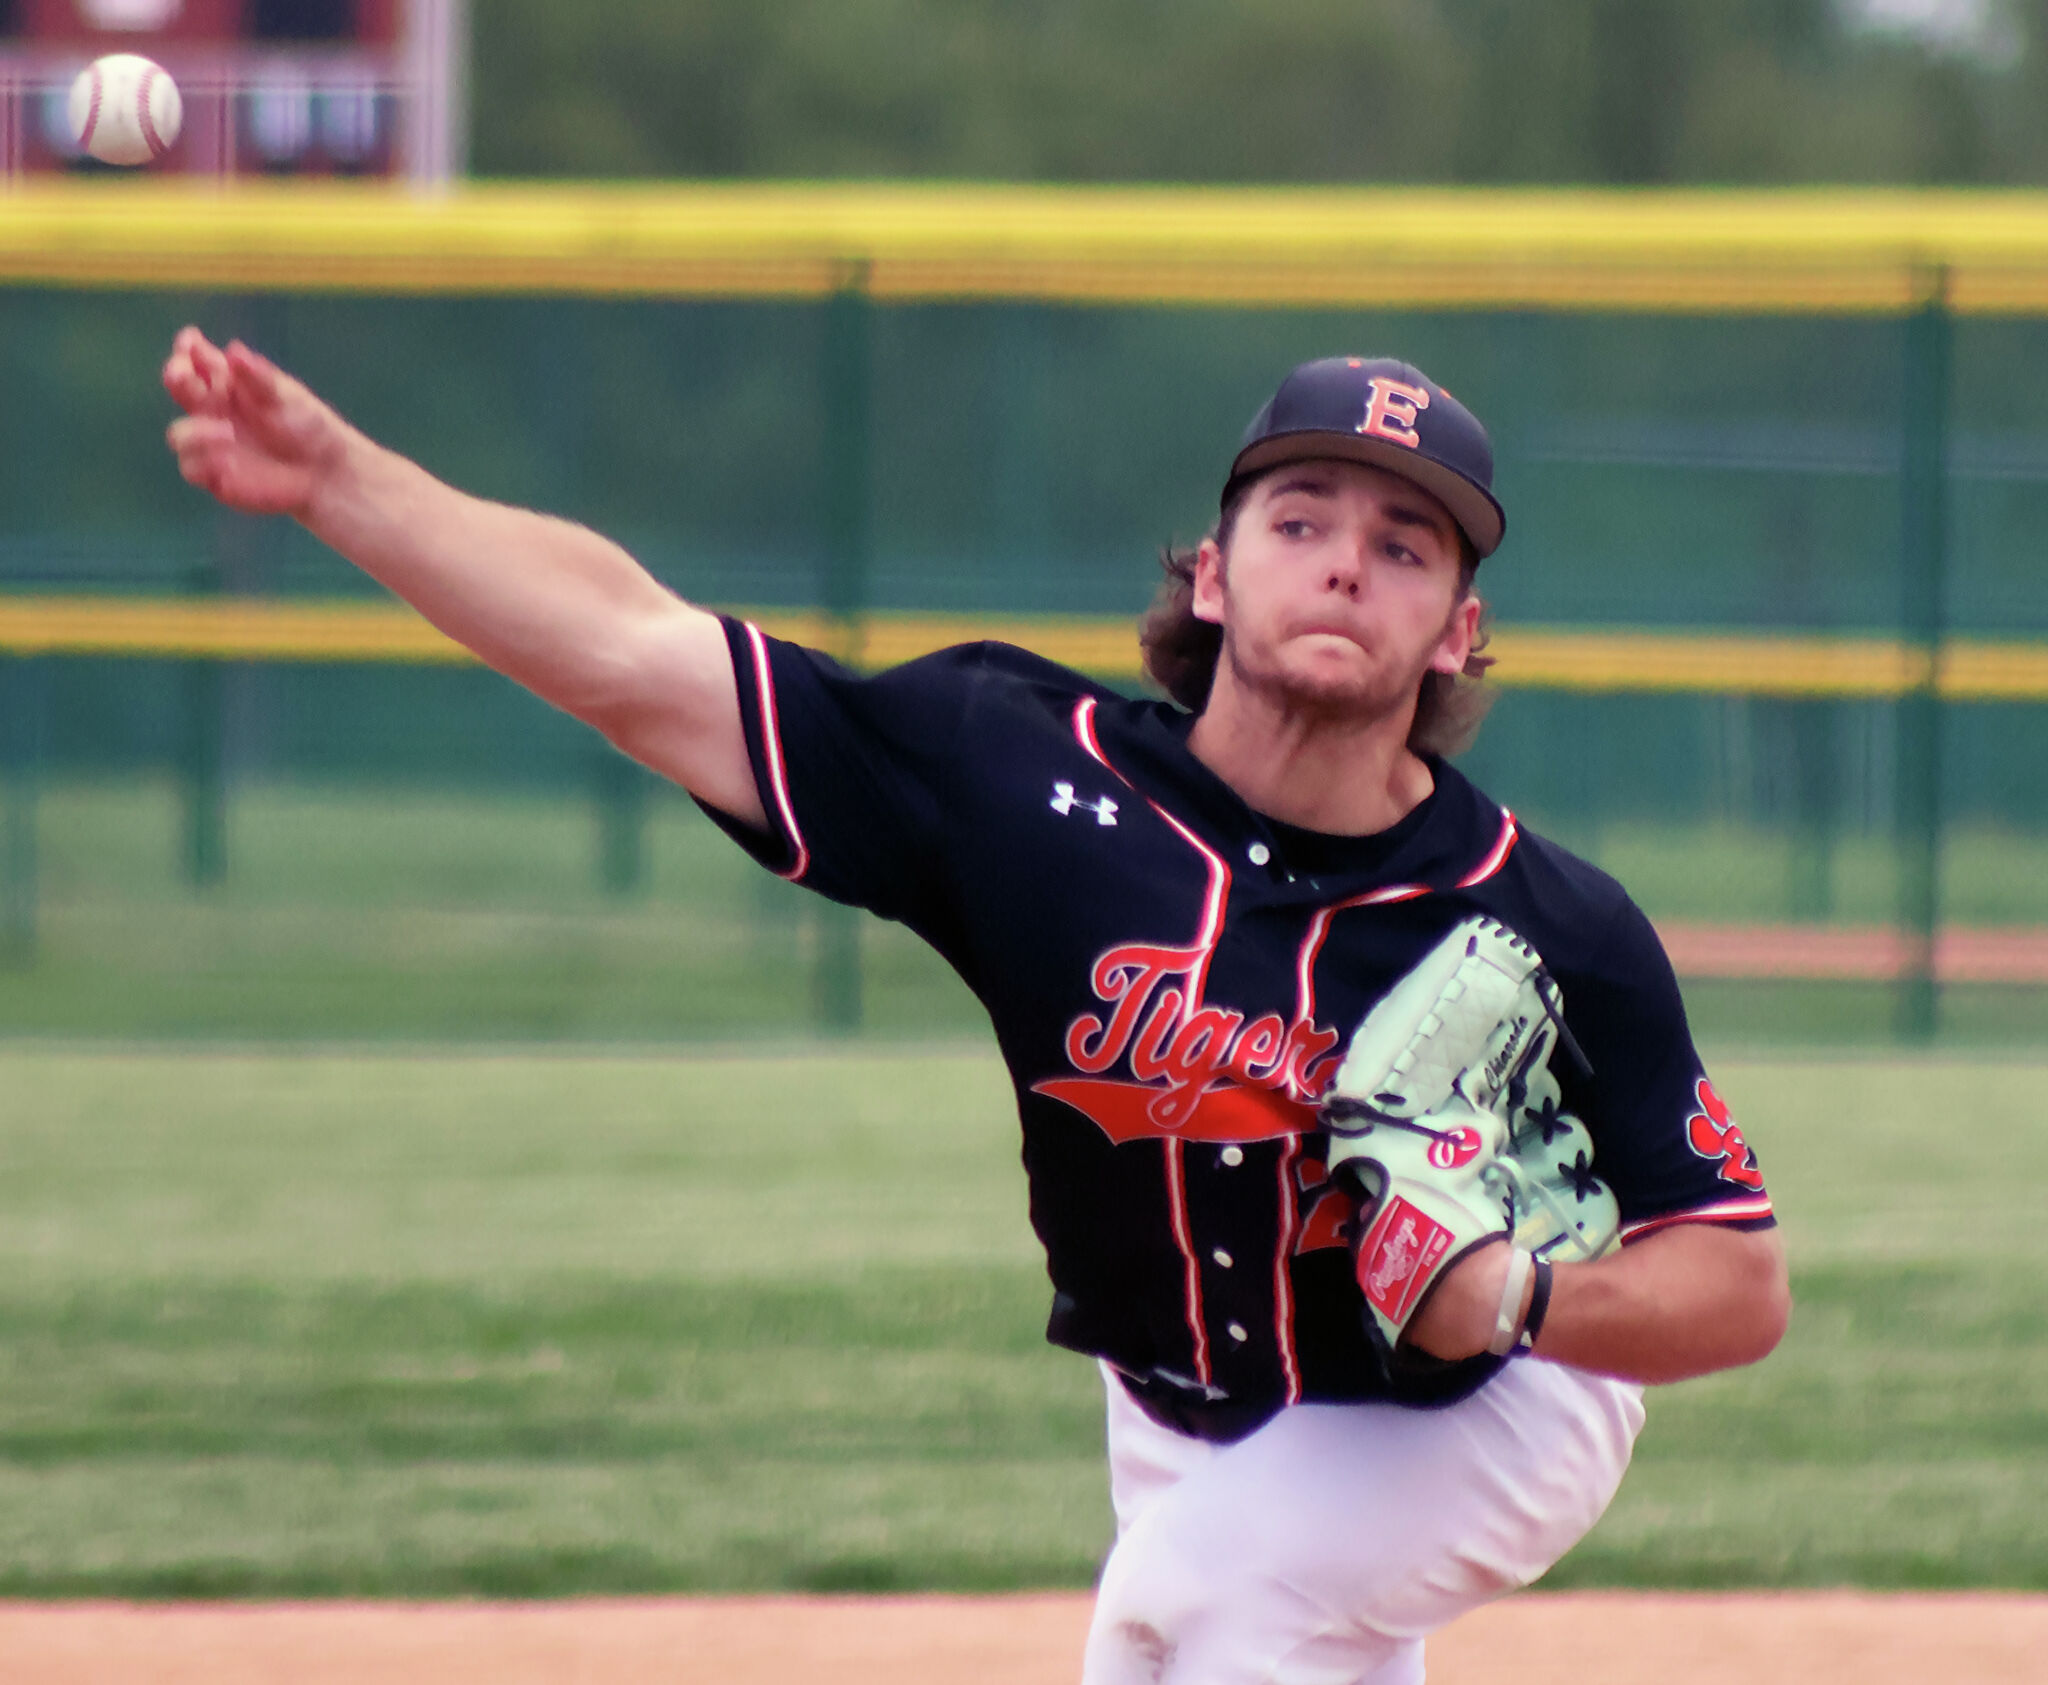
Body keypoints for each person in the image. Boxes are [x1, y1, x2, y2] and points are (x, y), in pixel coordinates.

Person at [163, 332, 1789, 1685]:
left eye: (1408, 544)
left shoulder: (1546, 918)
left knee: (1196, 1608)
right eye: (1304, 517)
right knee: (1228, 1610)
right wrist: (335, 482)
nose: (1350, 562)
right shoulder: (1020, 773)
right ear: (1212, 574)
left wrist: (1512, 1299)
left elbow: (1736, 1282)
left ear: (1461, 628)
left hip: (1498, 1395)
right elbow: (630, 651)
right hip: (1181, 1405)